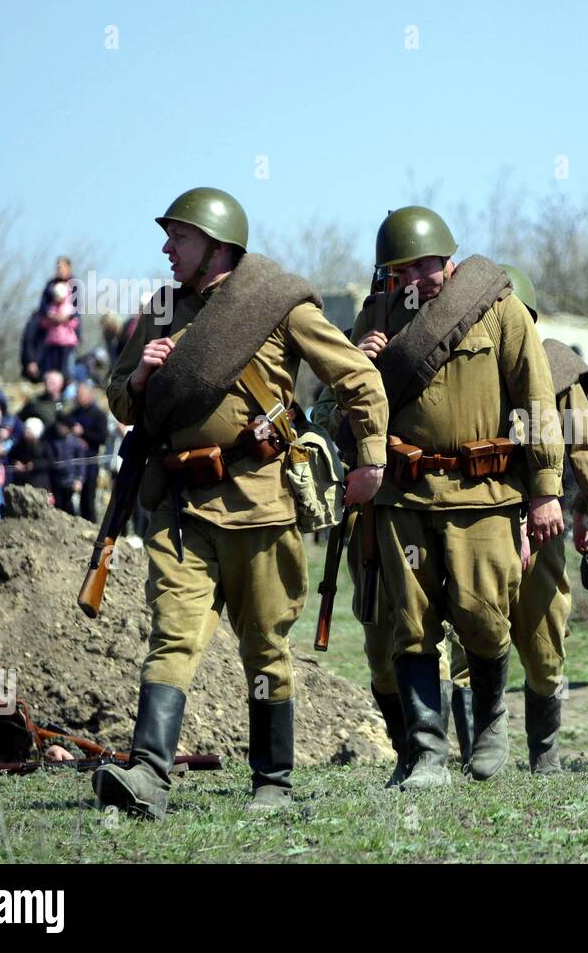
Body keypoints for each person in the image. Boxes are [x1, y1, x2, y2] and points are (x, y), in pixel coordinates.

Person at [91, 187, 389, 819]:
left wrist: (371, 459)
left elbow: (357, 376)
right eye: (168, 238)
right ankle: (148, 774)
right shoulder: (162, 308)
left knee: (264, 644)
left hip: (260, 501)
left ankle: (273, 782)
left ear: (218, 245)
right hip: (178, 505)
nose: (167, 249)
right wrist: (140, 377)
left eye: (180, 238)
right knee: (171, 635)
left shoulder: (277, 303)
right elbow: (120, 401)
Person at [349, 206, 563, 790]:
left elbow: (538, 402)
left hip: (483, 493)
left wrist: (544, 489)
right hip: (404, 496)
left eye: (425, 264)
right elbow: (340, 406)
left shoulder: (498, 307)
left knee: (483, 615)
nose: (417, 278)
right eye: (403, 268)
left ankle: (491, 722)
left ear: (448, 256)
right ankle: (426, 756)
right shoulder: (378, 315)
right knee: (410, 623)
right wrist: (361, 365)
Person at [444, 265, 588, 775]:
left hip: (540, 526)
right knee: (469, 637)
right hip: (472, 520)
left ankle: (544, 753)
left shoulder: (555, 373)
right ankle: (478, 747)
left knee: (544, 646)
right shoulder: (456, 367)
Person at [65, 383, 109, 522]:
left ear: (89, 395)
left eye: (81, 394)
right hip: (73, 461)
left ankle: (90, 526)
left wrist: (83, 433)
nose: (78, 397)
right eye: (77, 395)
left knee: (88, 497)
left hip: (90, 460)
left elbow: (101, 437)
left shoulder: (98, 415)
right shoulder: (74, 413)